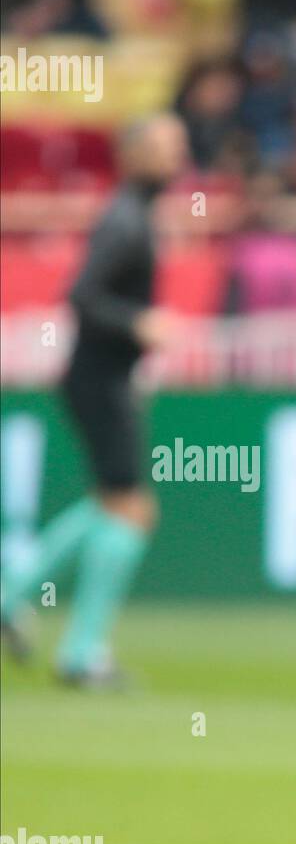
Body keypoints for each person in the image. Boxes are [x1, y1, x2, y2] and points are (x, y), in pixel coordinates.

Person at [0, 114, 187, 685]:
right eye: (161, 148)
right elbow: (81, 294)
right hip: (98, 379)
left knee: (117, 505)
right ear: (133, 156)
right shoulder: (125, 220)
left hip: (106, 379)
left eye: (176, 148)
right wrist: (139, 322)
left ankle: (16, 601)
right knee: (130, 509)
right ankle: (80, 652)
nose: (173, 159)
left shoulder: (135, 216)